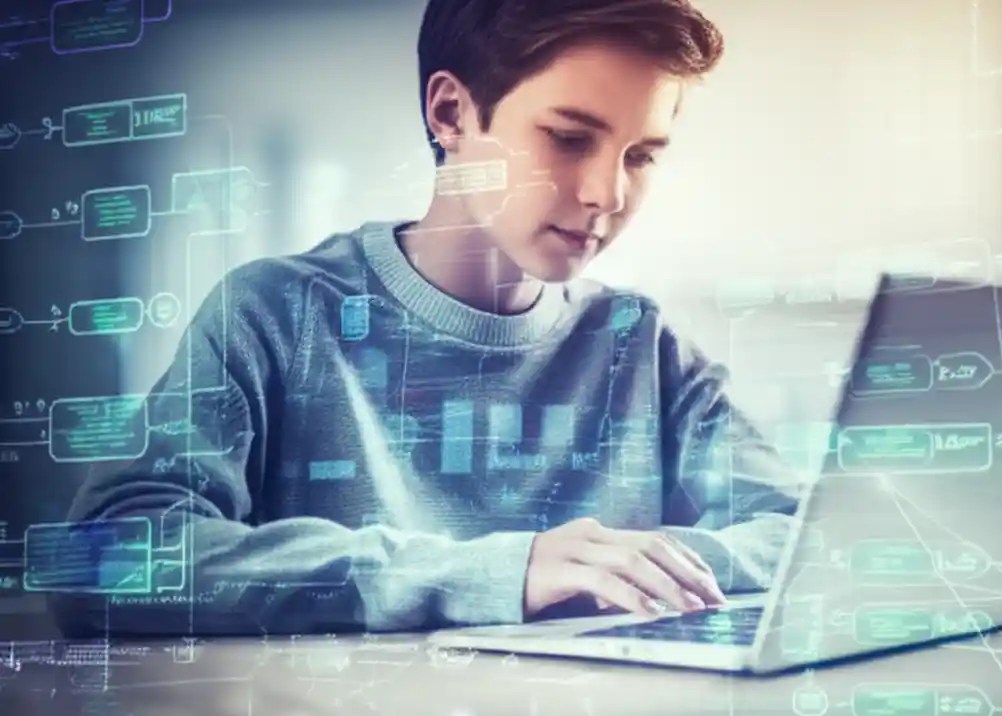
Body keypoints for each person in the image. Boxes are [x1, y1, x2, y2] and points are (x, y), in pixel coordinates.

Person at [59, 0, 804, 636]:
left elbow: (806, 539)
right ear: (450, 113)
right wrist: (504, 572)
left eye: (641, 155)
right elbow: (107, 556)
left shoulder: (641, 344)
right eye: (569, 139)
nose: (607, 194)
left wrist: (630, 566)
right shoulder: (276, 315)